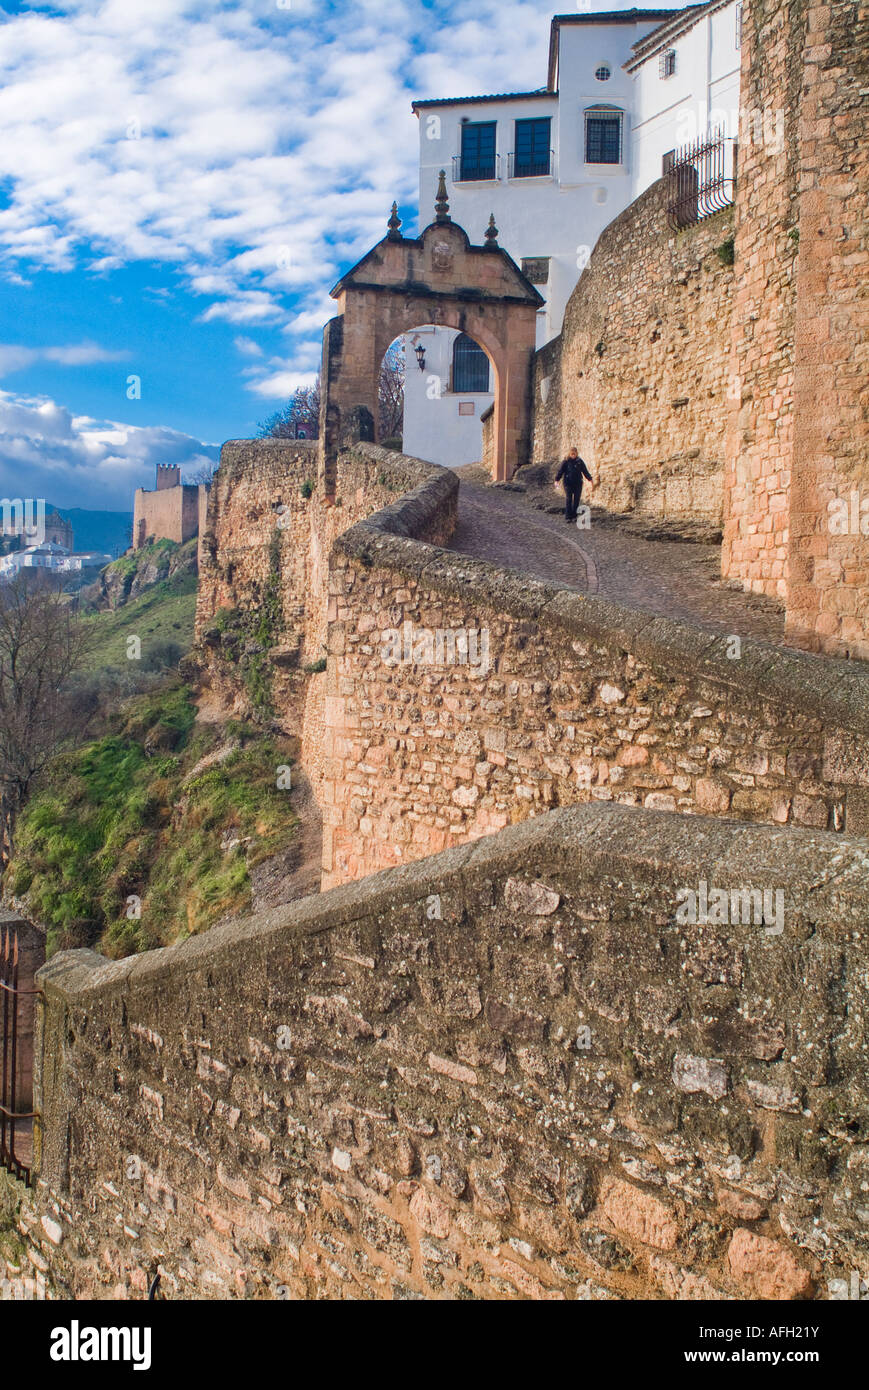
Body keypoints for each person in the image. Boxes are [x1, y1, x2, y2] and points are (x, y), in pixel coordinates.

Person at [555, 448, 593, 521]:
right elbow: (560, 471)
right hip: (568, 482)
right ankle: (568, 516)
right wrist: (556, 480)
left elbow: (585, 471)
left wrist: (590, 479)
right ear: (569, 454)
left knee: (576, 500)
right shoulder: (565, 462)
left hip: (578, 483)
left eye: (574, 454)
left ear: (576, 453)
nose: (573, 455)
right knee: (569, 499)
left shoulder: (579, 461)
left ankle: (574, 516)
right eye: (572, 454)